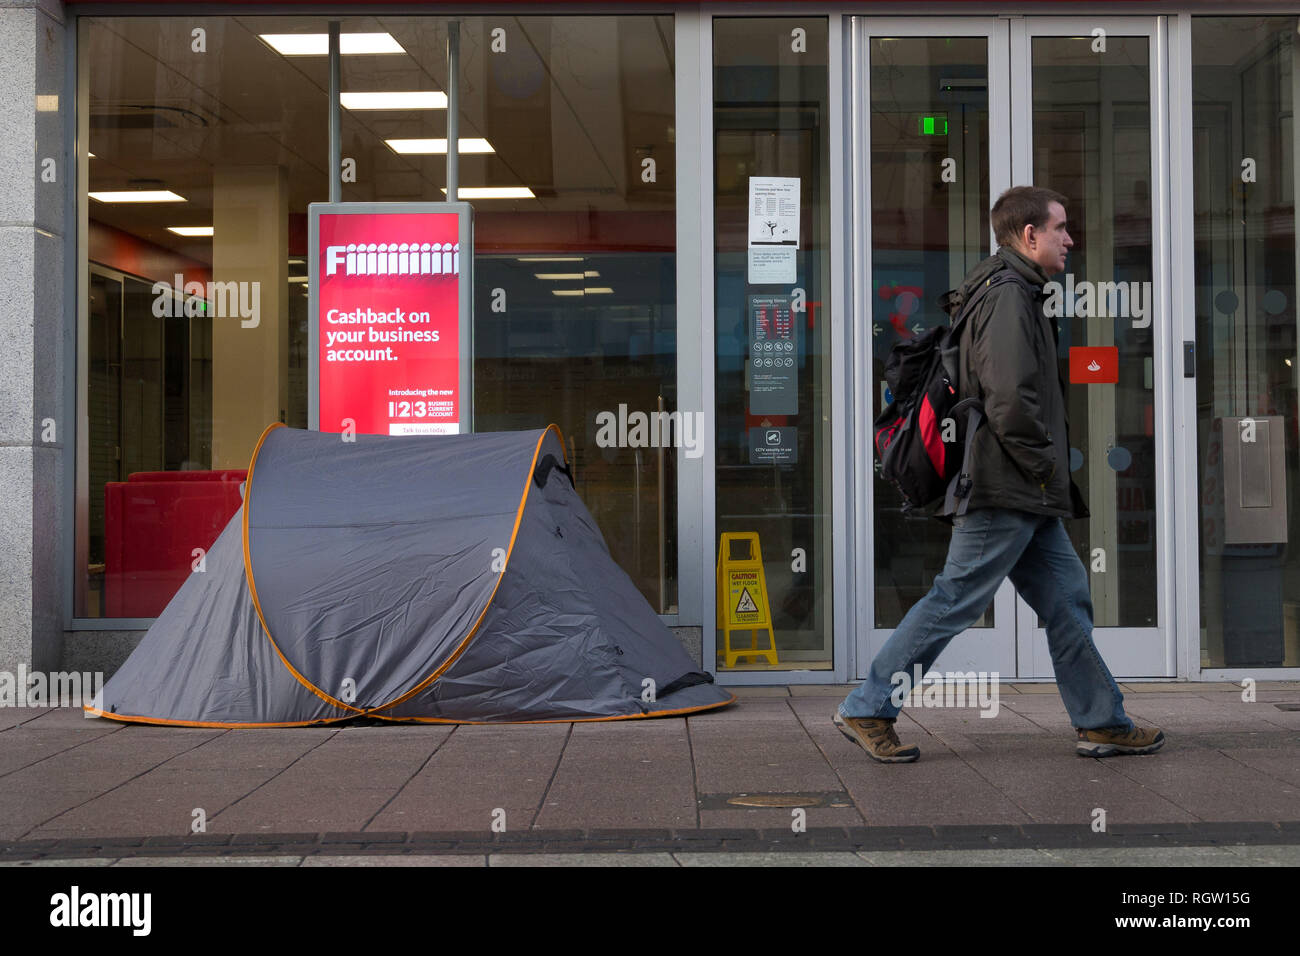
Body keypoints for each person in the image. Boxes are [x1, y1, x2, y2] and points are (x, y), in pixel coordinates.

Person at [835, 185, 1165, 762]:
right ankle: (868, 705)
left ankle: (1101, 720)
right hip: (1006, 486)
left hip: (1023, 489)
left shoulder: (1010, 289)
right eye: (1060, 228)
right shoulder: (1009, 296)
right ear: (1029, 235)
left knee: (1066, 603)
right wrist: (1044, 469)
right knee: (954, 599)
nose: (1070, 239)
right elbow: (1010, 402)